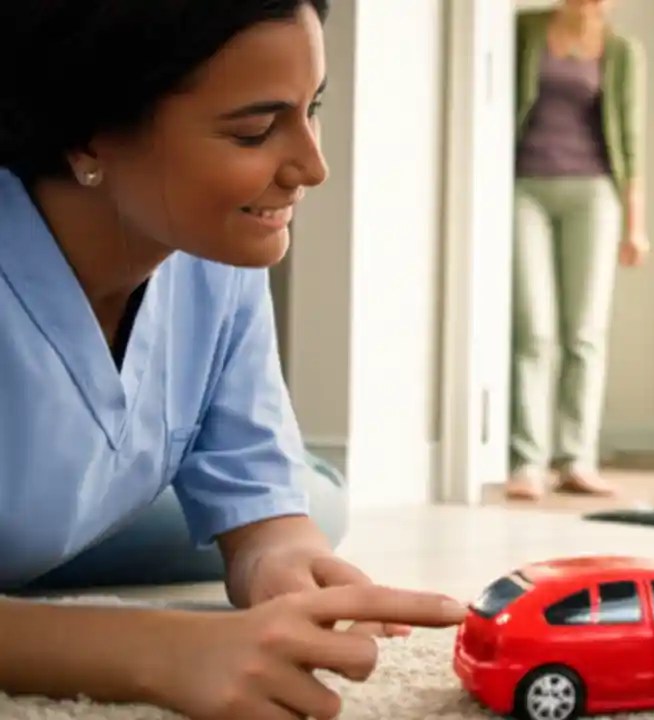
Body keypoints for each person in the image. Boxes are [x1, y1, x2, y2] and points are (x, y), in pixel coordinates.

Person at [0, 2, 466, 717]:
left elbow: (260, 496)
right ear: (89, 138)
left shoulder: (215, 251)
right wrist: (154, 651)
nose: (314, 165)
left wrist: (275, 556)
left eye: (314, 109)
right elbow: (147, 652)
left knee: (318, 503)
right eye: (254, 130)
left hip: (58, 522)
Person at [508, 0, 647, 500]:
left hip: (592, 194)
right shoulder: (526, 29)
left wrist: (636, 225)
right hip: (525, 188)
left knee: (584, 332)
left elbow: (631, 142)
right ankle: (526, 461)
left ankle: (575, 459)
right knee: (533, 330)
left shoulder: (620, 51)